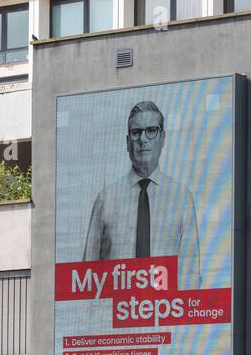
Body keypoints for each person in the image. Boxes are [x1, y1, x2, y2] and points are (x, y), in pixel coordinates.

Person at [82, 100, 202, 290]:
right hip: (116, 314)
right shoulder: (105, 200)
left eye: (151, 130)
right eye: (136, 132)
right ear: (127, 142)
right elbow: (87, 274)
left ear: (163, 138)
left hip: (166, 313)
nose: (143, 139)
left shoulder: (181, 198)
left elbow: (190, 275)